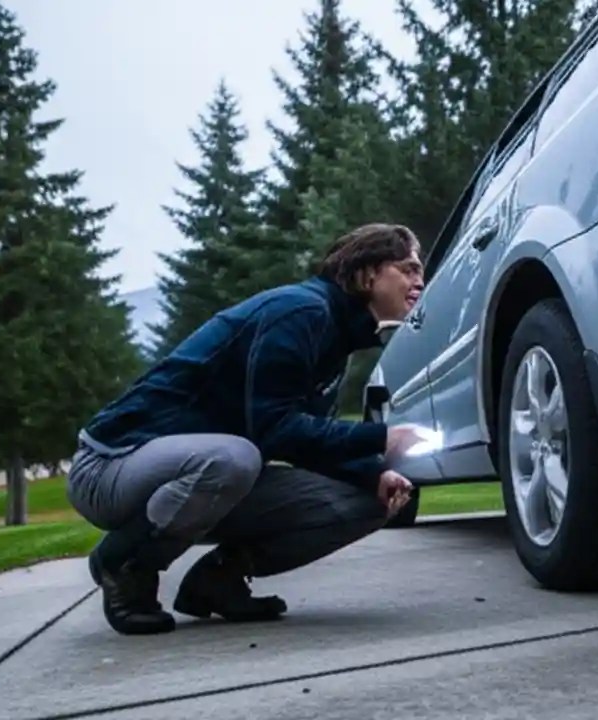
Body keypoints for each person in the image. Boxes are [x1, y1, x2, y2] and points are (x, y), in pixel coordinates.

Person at [66, 223, 428, 635]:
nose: (420, 282)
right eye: (409, 269)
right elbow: (275, 429)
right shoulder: (301, 312)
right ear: (368, 274)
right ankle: (126, 562)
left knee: (375, 500)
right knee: (235, 458)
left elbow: (307, 439)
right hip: (110, 465)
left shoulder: (336, 337)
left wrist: (374, 472)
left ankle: (218, 581)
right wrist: (381, 437)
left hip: (199, 476)